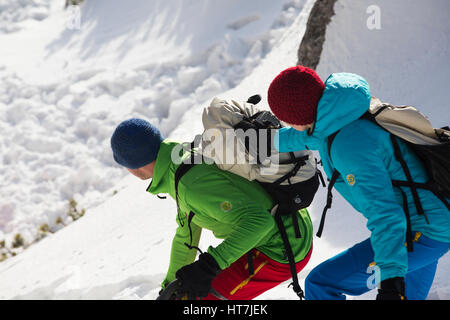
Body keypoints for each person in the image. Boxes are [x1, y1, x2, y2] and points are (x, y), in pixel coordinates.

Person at [267, 65, 450, 300]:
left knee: (322, 284)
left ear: (298, 116)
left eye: (286, 119)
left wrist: (390, 281)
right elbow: (302, 136)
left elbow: (385, 215)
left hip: (421, 231)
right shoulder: (341, 114)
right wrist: (254, 143)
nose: (287, 124)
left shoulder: (349, 146)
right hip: (433, 217)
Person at [110, 118, 313, 300]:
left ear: (133, 167)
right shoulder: (178, 163)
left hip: (282, 248)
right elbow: (185, 237)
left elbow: (260, 222)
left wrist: (209, 265)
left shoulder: (191, 186)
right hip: (283, 228)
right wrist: (168, 288)